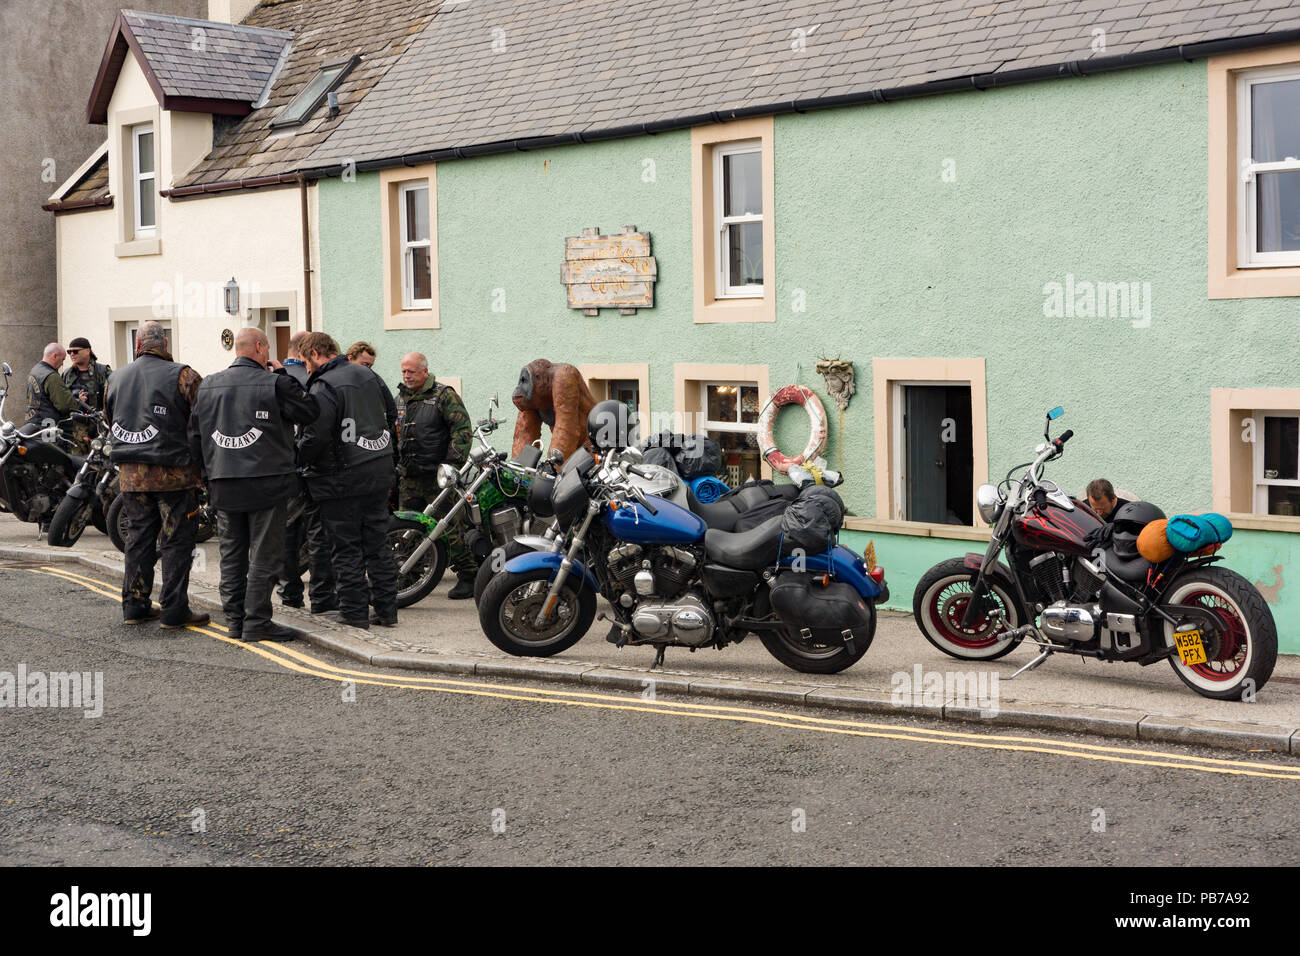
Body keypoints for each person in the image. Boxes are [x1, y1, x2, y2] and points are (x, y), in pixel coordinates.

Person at [190, 328, 319, 641]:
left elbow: (194, 437)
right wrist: (284, 374)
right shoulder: (274, 383)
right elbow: (311, 411)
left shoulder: (208, 384)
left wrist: (207, 477)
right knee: (263, 555)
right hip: (267, 482)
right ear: (260, 348)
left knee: (231, 555)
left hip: (224, 481)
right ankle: (256, 621)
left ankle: (235, 620)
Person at [103, 322, 209, 628]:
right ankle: (175, 610)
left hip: (130, 474)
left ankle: (134, 606)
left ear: (138, 345)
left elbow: (110, 420)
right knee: (176, 541)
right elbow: (200, 422)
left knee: (138, 538)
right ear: (164, 343)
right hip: (174, 474)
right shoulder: (184, 375)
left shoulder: (115, 377)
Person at [296, 333, 398, 629]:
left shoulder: (323, 385)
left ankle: (354, 613)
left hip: (340, 479)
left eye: (305, 362)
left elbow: (316, 434)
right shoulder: (368, 375)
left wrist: (299, 458)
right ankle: (387, 610)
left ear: (315, 353)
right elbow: (391, 416)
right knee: (378, 546)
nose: (305, 369)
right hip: (378, 472)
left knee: (347, 547)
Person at [395, 351, 476, 598]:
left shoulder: (443, 395)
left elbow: (462, 431)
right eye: (403, 372)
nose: (407, 376)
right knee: (407, 530)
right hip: (409, 477)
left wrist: (451, 465)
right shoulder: (399, 398)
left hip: (437, 478)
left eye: (411, 371)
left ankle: (469, 575)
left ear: (424, 372)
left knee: (449, 529)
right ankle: (410, 576)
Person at [277, 331, 338, 614]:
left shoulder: (277, 379)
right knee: (318, 535)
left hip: (287, 468)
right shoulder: (317, 379)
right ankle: (322, 596)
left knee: (288, 535)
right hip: (316, 468)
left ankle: (290, 593)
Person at [62, 337, 111, 449]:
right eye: (69, 352)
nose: (72, 354)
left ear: (88, 351)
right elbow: (62, 399)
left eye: (76, 351)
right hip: (75, 431)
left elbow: (114, 396)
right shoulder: (67, 374)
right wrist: (75, 400)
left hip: (98, 429)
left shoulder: (102, 371)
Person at [24, 343, 76, 429]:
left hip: (32, 424)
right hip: (48, 428)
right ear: (55, 356)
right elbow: (65, 406)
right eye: (62, 359)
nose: (62, 364)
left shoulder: (35, 370)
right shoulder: (52, 376)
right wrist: (77, 402)